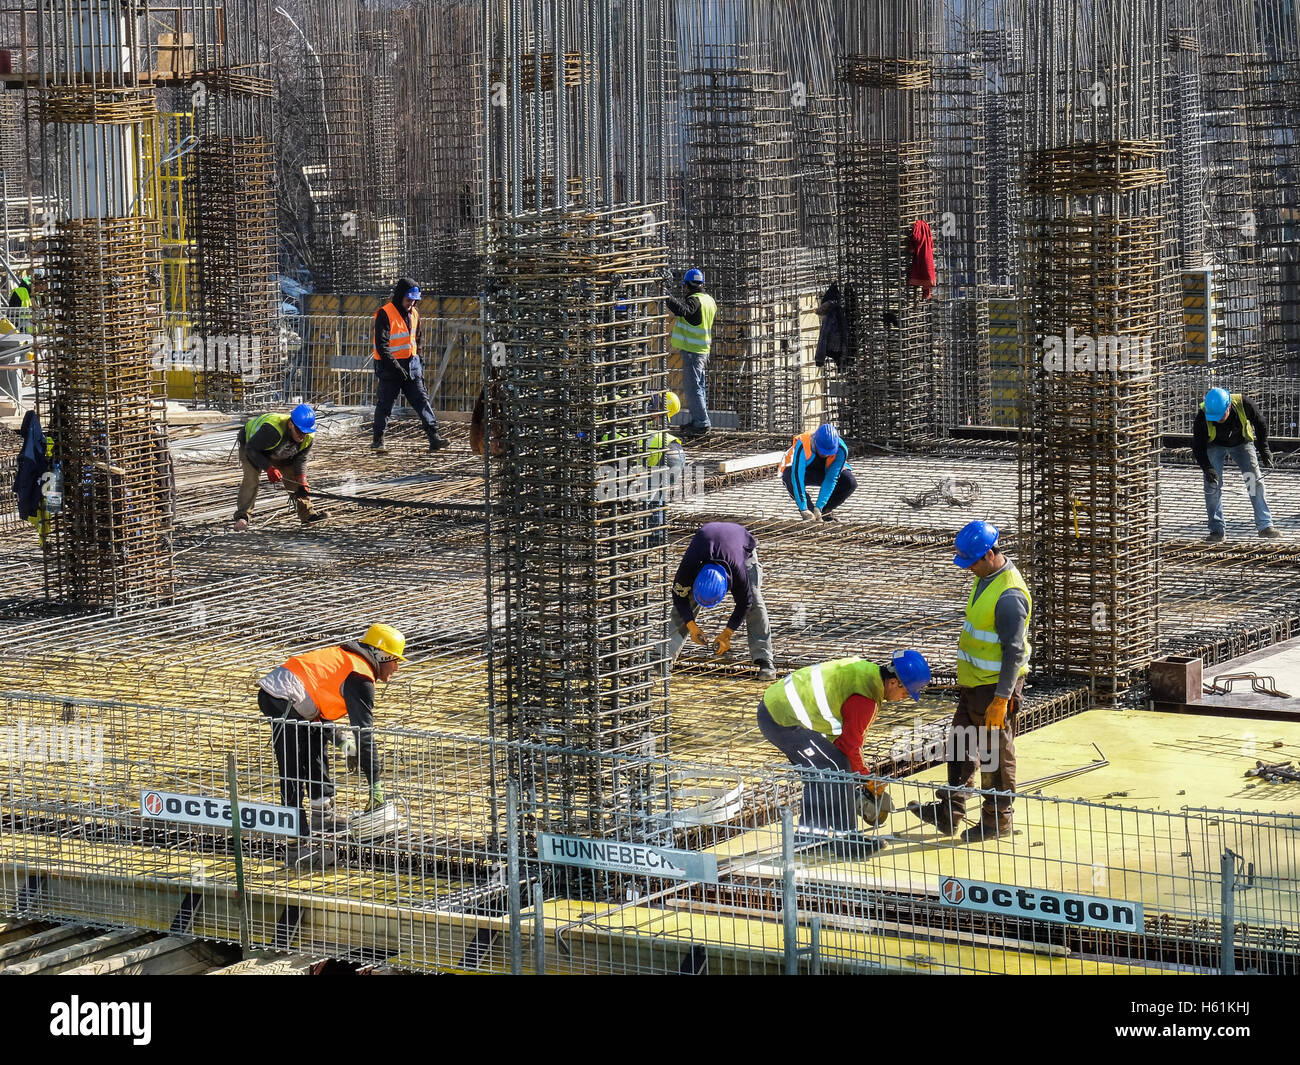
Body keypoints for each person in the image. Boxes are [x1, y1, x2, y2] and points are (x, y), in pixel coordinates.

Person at [909, 521, 1030, 842]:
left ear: (990, 554)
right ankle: (950, 812)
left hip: (994, 689)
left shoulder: (1009, 596)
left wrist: (1002, 699)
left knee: (995, 756)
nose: (969, 569)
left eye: (972, 562)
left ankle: (997, 821)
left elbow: (1014, 653)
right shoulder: (986, 578)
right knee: (960, 745)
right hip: (974, 686)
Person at [759, 650, 931, 847]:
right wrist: (866, 779)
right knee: (837, 768)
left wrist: (862, 777)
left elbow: (843, 741)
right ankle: (848, 842)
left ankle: (808, 840)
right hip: (782, 719)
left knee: (820, 772)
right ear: (893, 682)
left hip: (775, 708)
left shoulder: (866, 671)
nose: (904, 698)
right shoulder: (866, 699)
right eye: (906, 693)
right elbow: (850, 746)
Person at [257, 624, 405, 840]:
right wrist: (375, 784)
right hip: (280, 697)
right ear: (381, 656)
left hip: (297, 701)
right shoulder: (359, 677)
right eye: (395, 660)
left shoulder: (350, 663)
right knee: (292, 764)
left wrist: (343, 744)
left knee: (315, 741)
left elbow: (320, 712)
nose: (397, 668)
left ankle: (322, 814)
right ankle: (295, 836)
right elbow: (364, 733)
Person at [668, 522, 775, 681]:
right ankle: (666, 656)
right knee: (685, 596)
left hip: (742, 547)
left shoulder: (739, 572)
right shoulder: (690, 566)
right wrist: (692, 626)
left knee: (754, 601)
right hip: (708, 540)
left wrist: (727, 633)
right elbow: (678, 596)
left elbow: (745, 602)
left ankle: (765, 659)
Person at [372, 276, 449, 453]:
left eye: (414, 300)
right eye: (409, 300)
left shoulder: (414, 313)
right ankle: (378, 440)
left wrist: (419, 360)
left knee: (422, 400)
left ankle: (434, 437)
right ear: (400, 296)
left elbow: (417, 339)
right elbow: (382, 346)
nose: (411, 304)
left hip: (411, 366)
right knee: (385, 404)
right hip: (390, 368)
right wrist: (396, 367)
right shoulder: (385, 313)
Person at [1194, 387, 1281, 541]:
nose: (1217, 420)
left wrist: (1264, 449)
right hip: (1214, 445)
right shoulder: (1203, 415)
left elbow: (1260, 424)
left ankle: (1265, 526)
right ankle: (1216, 530)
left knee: (1253, 481)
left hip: (1241, 443)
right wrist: (1208, 469)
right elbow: (1198, 446)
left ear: (1229, 406)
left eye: (1220, 416)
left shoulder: (1244, 403)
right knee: (1212, 485)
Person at [234, 403, 325, 531]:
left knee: (294, 479)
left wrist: (302, 479)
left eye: (306, 432)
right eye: (299, 431)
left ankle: (308, 515)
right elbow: (251, 449)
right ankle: (242, 517)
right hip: (252, 445)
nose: (302, 436)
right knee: (251, 479)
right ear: (290, 425)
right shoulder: (272, 431)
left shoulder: (307, 438)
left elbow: (300, 459)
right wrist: (269, 468)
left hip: (277, 448)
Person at [667, 268, 716, 440]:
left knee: (693, 388)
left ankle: (701, 423)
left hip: (693, 352)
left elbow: (684, 311)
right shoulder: (708, 300)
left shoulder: (695, 301)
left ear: (687, 285)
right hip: (701, 351)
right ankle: (699, 421)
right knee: (699, 387)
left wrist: (666, 297)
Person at [779, 423, 856, 521]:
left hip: (825, 471)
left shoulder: (841, 449)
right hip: (806, 471)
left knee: (849, 482)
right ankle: (809, 513)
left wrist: (819, 506)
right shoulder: (803, 444)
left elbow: (831, 479)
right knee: (788, 476)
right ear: (815, 442)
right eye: (823, 452)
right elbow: (797, 477)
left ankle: (824, 512)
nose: (825, 455)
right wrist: (804, 508)